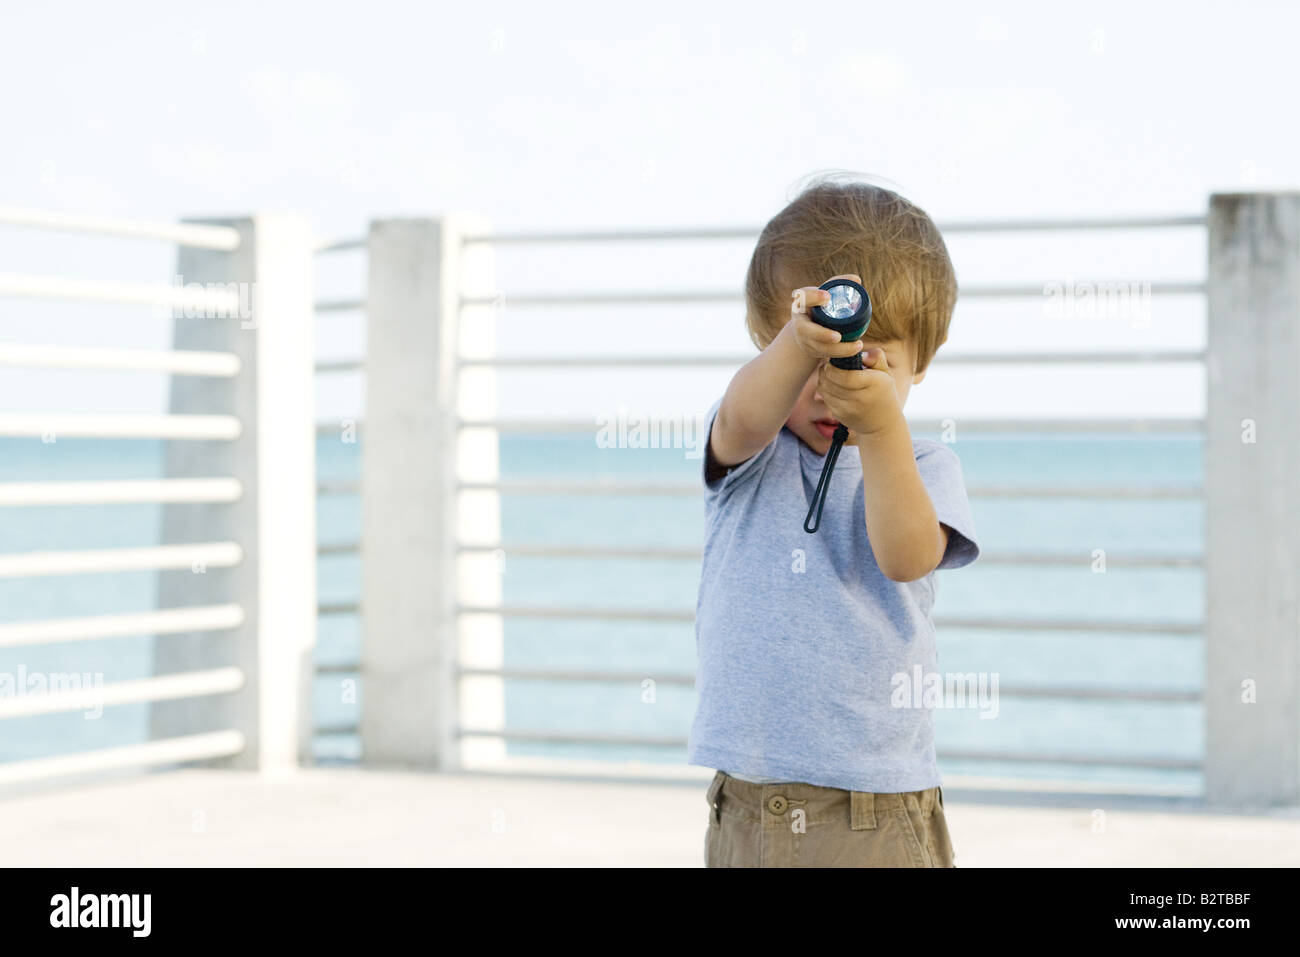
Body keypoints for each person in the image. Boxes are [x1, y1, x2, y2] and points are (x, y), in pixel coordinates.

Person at [689, 176, 981, 867]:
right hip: (744, 801)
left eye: (867, 360)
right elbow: (739, 416)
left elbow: (905, 554)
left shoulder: (925, 463)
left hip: (871, 812)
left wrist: (879, 427)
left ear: (923, 360)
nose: (832, 383)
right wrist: (799, 339)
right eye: (810, 360)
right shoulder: (754, 452)